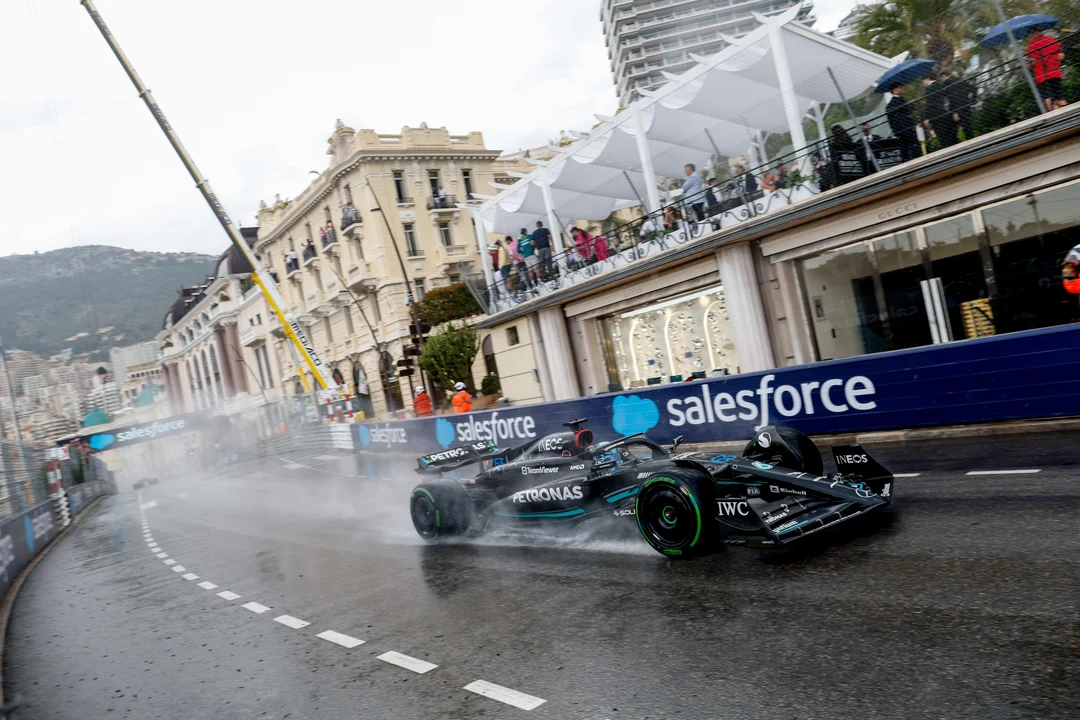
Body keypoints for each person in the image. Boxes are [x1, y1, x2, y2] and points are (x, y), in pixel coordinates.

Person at [1027, 30, 1067, 112]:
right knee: (1059, 96)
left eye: (1029, 34)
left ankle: (1055, 114)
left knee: (1048, 98)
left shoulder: (1031, 46)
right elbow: (1061, 55)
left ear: (1033, 34)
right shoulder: (1051, 40)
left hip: (1041, 76)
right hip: (1054, 73)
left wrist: (1025, 64)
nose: (1028, 36)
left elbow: (1032, 62)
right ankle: (1067, 112)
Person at [886, 83, 921, 162]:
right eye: (900, 88)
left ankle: (906, 161)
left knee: (904, 147)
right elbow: (907, 111)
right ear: (895, 89)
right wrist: (911, 104)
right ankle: (917, 159)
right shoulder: (900, 100)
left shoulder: (889, 105)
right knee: (914, 143)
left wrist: (895, 131)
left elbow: (890, 120)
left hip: (899, 130)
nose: (902, 89)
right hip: (907, 126)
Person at [922, 75, 957, 149]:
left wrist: (927, 117)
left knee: (943, 138)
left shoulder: (929, 89)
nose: (923, 84)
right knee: (951, 135)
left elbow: (929, 103)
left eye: (923, 81)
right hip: (946, 113)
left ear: (927, 78)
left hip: (937, 116)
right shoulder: (940, 85)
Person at [941, 70, 976, 142]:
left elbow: (954, 98)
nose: (942, 80)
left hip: (956, 109)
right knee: (968, 128)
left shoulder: (948, 84)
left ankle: (956, 143)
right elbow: (973, 89)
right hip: (966, 106)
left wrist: (955, 112)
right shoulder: (960, 80)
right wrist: (973, 100)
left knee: (952, 130)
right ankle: (972, 142)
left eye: (941, 78)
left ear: (944, 76)